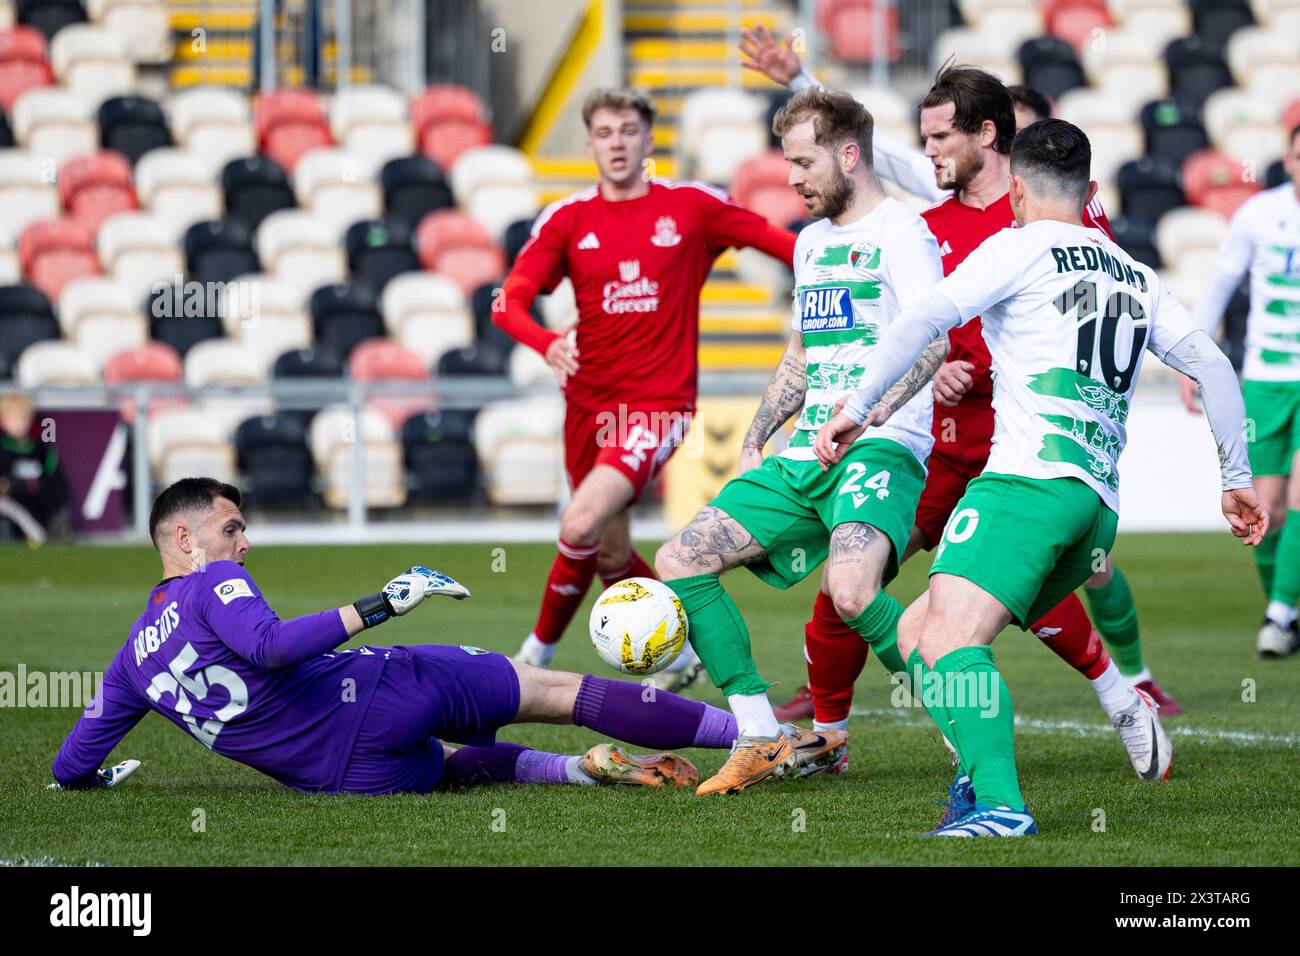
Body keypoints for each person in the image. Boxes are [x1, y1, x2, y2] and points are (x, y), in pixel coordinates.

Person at [815, 118, 1266, 836]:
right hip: (1094, 507)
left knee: (952, 642)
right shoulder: (1136, 273)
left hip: (1024, 484)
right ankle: (981, 773)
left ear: (1016, 190)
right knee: (919, 632)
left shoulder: (1017, 248)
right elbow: (1213, 366)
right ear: (1089, 191)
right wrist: (1234, 477)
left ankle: (1000, 806)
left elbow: (922, 321)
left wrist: (855, 407)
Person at [741, 32, 1182, 759]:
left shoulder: (1047, 220)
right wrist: (802, 80)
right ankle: (828, 728)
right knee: (849, 582)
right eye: (929, 140)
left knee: (1026, 597)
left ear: (986, 135)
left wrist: (1180, 357)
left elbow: (1110, 297)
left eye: (945, 136)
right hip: (935, 445)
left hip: (1020, 446)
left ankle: (1118, 692)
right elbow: (867, 156)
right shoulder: (927, 219)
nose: (933, 152)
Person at [51, 478, 835, 795]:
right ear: (184, 542)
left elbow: (71, 761)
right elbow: (272, 649)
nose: (243, 542)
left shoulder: (132, 660)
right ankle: (762, 736)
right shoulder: (212, 581)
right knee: (557, 691)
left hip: (350, 776)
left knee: (458, 766)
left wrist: (88, 781)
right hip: (382, 689)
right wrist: (384, 602)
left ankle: (575, 773)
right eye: (230, 528)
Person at [653, 88, 942, 796]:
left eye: (804, 161)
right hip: (803, 455)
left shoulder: (906, 234)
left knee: (849, 591)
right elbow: (801, 354)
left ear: (849, 154)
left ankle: (960, 714)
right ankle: (758, 735)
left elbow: (934, 342)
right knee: (679, 558)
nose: (792, 177)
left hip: (881, 447)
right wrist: (758, 436)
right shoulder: (810, 242)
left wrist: (867, 415)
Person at [492, 88, 799, 690]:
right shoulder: (567, 218)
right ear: (590, 142)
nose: (617, 143)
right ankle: (684, 658)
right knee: (607, 553)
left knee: (578, 522)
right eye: (605, 132)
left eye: (628, 131)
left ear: (648, 139)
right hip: (585, 408)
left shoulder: (692, 207)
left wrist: (829, 288)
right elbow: (507, 303)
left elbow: (787, 246)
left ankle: (533, 657)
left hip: (657, 407)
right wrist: (546, 341)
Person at [1184, 123, 1300, 658]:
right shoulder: (1259, 213)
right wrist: (1192, 360)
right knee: (1267, 507)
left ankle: (1277, 615)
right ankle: (1286, 606)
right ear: (1288, 160)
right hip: (1266, 378)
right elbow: (1220, 284)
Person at [0, 392, 69, 546]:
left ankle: (53, 529)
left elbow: (55, 480)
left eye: (23, 418)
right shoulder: (3, 449)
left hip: (37, 503)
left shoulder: (40, 448)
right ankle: (38, 536)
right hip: (9, 502)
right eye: (14, 418)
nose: (20, 423)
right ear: (3, 421)